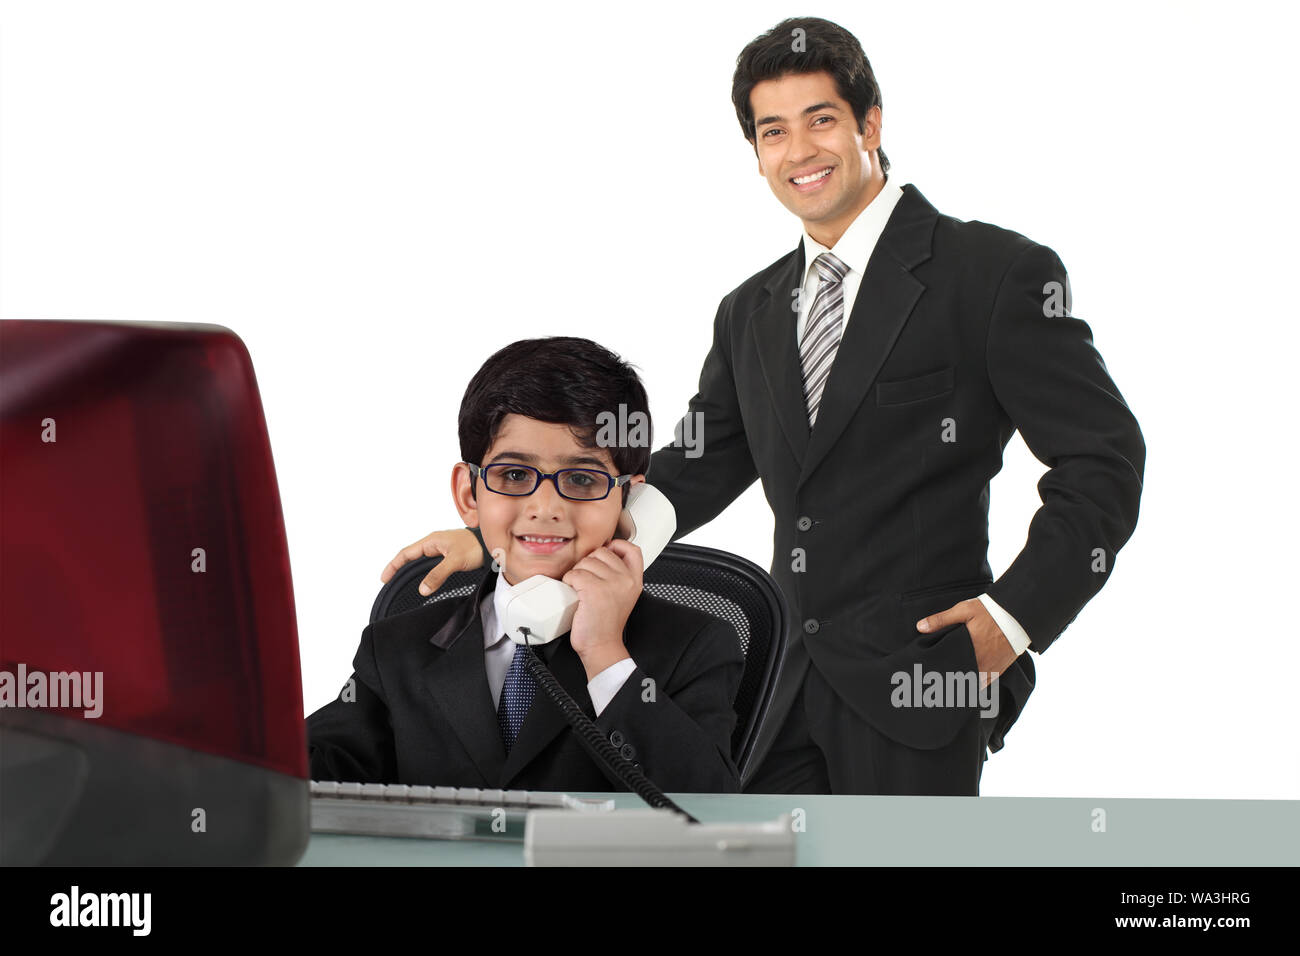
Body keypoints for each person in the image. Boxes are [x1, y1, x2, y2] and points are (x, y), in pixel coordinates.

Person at [379, 17, 1145, 796]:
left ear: (869, 124)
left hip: (922, 676)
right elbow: (689, 474)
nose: (800, 152)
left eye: (821, 120)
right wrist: (508, 544)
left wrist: (1012, 623)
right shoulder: (749, 310)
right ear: (756, 154)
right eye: (773, 131)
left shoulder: (992, 274)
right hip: (780, 687)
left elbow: (1104, 462)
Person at [309, 337, 744, 792]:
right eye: (515, 475)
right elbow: (300, 776)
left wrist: (606, 658)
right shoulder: (399, 649)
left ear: (626, 502)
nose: (545, 507)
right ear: (468, 495)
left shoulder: (692, 647)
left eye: (581, 478)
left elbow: (708, 814)